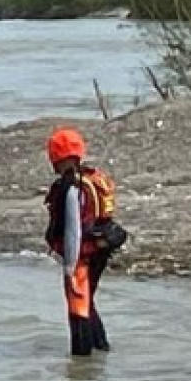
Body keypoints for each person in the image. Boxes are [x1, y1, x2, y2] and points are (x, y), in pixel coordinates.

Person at [42, 127, 124, 356]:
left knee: (78, 307)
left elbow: (72, 230)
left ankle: (82, 361)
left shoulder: (71, 188)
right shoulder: (94, 178)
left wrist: (70, 265)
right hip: (101, 248)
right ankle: (101, 349)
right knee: (88, 301)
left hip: (81, 253)